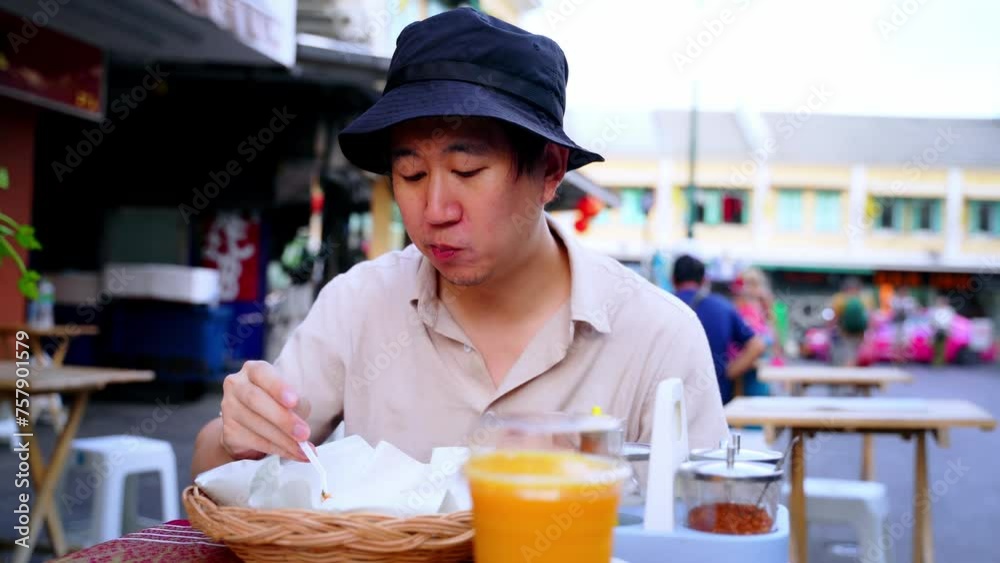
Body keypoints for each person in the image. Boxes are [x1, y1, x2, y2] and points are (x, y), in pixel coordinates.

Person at [191, 8, 728, 476]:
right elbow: (216, 474)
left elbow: (703, 533)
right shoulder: (358, 305)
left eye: (468, 170)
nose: (435, 212)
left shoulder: (657, 336)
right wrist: (237, 434)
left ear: (549, 170)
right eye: (412, 175)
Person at [671, 255, 766, 405]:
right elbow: (757, 345)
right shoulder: (723, 307)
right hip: (715, 400)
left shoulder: (661, 306)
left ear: (673, 279)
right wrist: (727, 373)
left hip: (671, 398)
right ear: (704, 280)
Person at [830, 277, 872, 367]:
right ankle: (854, 370)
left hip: (845, 331)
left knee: (848, 351)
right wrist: (870, 331)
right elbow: (869, 316)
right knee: (857, 351)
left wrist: (830, 328)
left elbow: (835, 316)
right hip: (860, 332)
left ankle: (848, 370)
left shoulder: (839, 299)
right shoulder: (865, 299)